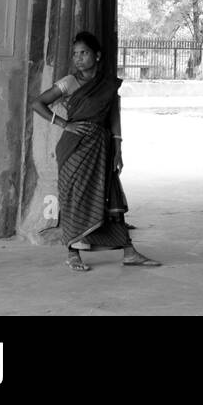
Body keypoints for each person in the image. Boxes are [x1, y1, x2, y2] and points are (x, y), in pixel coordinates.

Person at [31, 31, 162, 271]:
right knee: (75, 199)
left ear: (97, 55)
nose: (78, 59)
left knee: (108, 197)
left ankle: (129, 253)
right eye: (75, 54)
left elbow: (114, 116)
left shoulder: (108, 85)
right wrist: (64, 124)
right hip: (74, 149)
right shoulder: (69, 82)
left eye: (84, 53)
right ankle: (73, 254)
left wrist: (118, 148)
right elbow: (37, 103)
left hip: (102, 147)